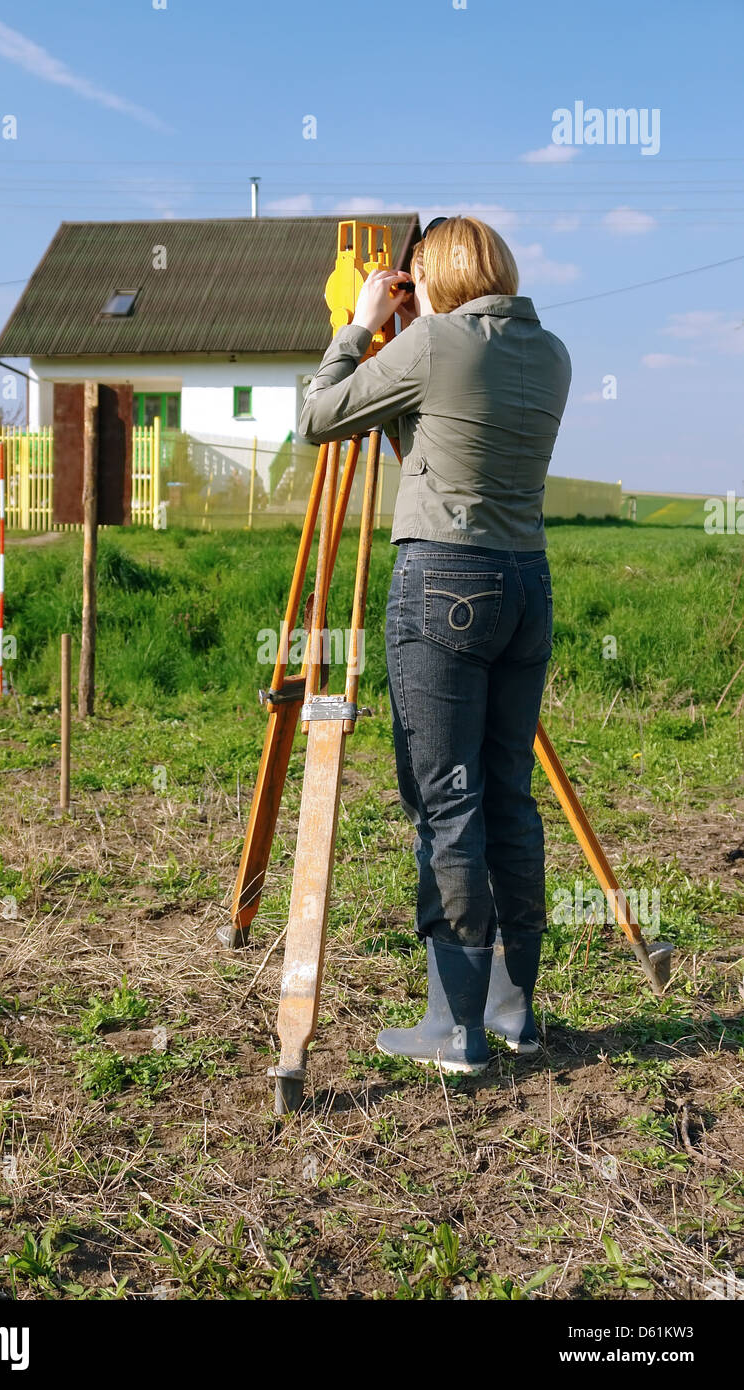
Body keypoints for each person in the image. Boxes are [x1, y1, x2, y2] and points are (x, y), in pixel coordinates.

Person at [298, 215, 572, 1075]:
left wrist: (358, 326)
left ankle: (455, 1031)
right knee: (506, 798)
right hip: (526, 584)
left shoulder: (429, 348)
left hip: (444, 585)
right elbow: (439, 435)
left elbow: (319, 418)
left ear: (436, 276)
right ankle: (512, 1009)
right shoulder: (551, 352)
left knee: (445, 801)